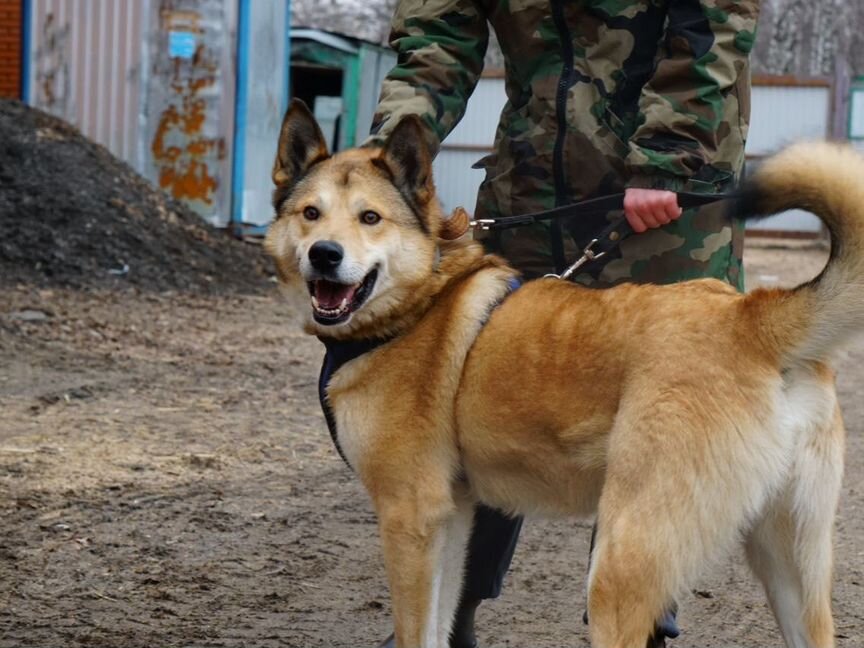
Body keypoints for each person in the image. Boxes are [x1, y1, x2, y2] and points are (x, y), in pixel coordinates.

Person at [367, 1, 760, 646]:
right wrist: (386, 160)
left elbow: (715, 19)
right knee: (484, 395)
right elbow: (436, 34)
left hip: (666, 194)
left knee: (665, 408)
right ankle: (448, 615)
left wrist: (670, 152)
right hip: (531, 178)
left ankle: (641, 623)